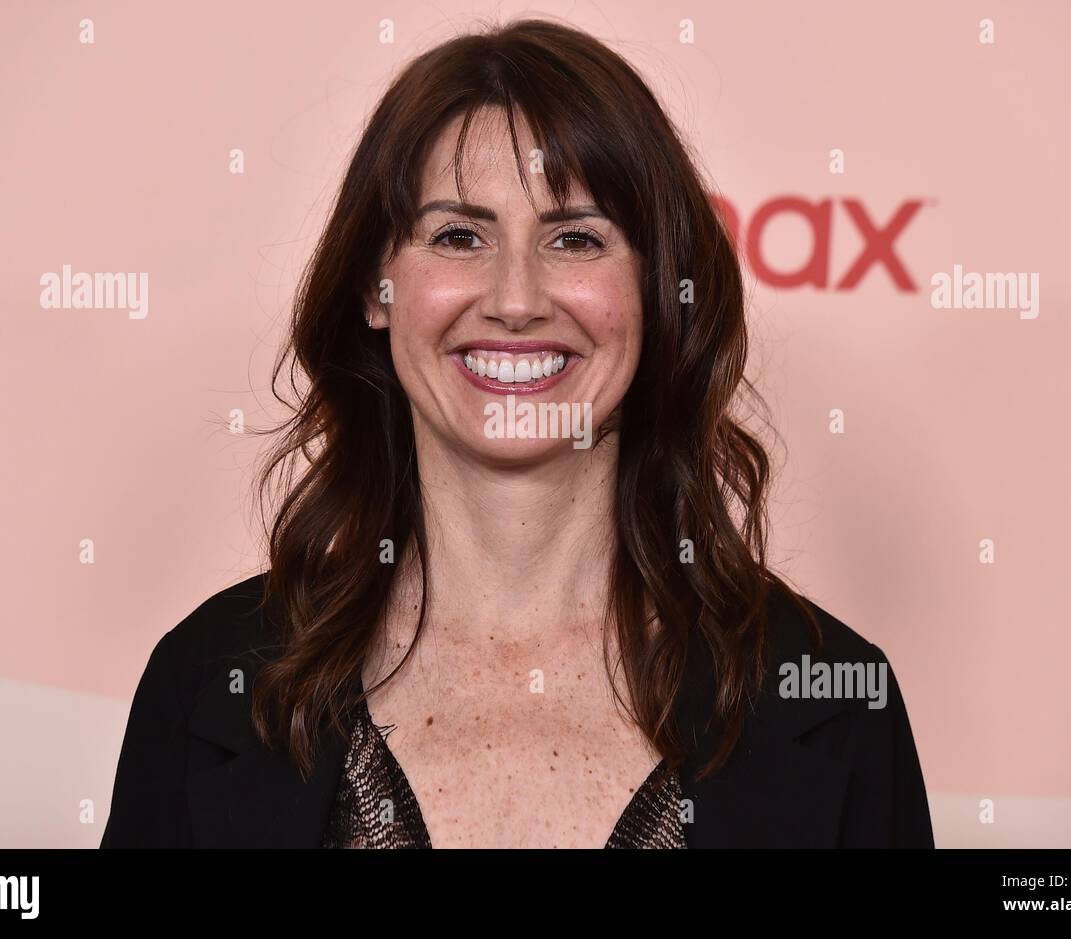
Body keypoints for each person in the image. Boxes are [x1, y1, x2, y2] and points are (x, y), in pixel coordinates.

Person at [101, 17, 935, 849]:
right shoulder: (208, 684)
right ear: (376, 288)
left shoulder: (832, 702)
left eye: (575, 238)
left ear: (655, 292)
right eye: (459, 236)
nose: (515, 298)